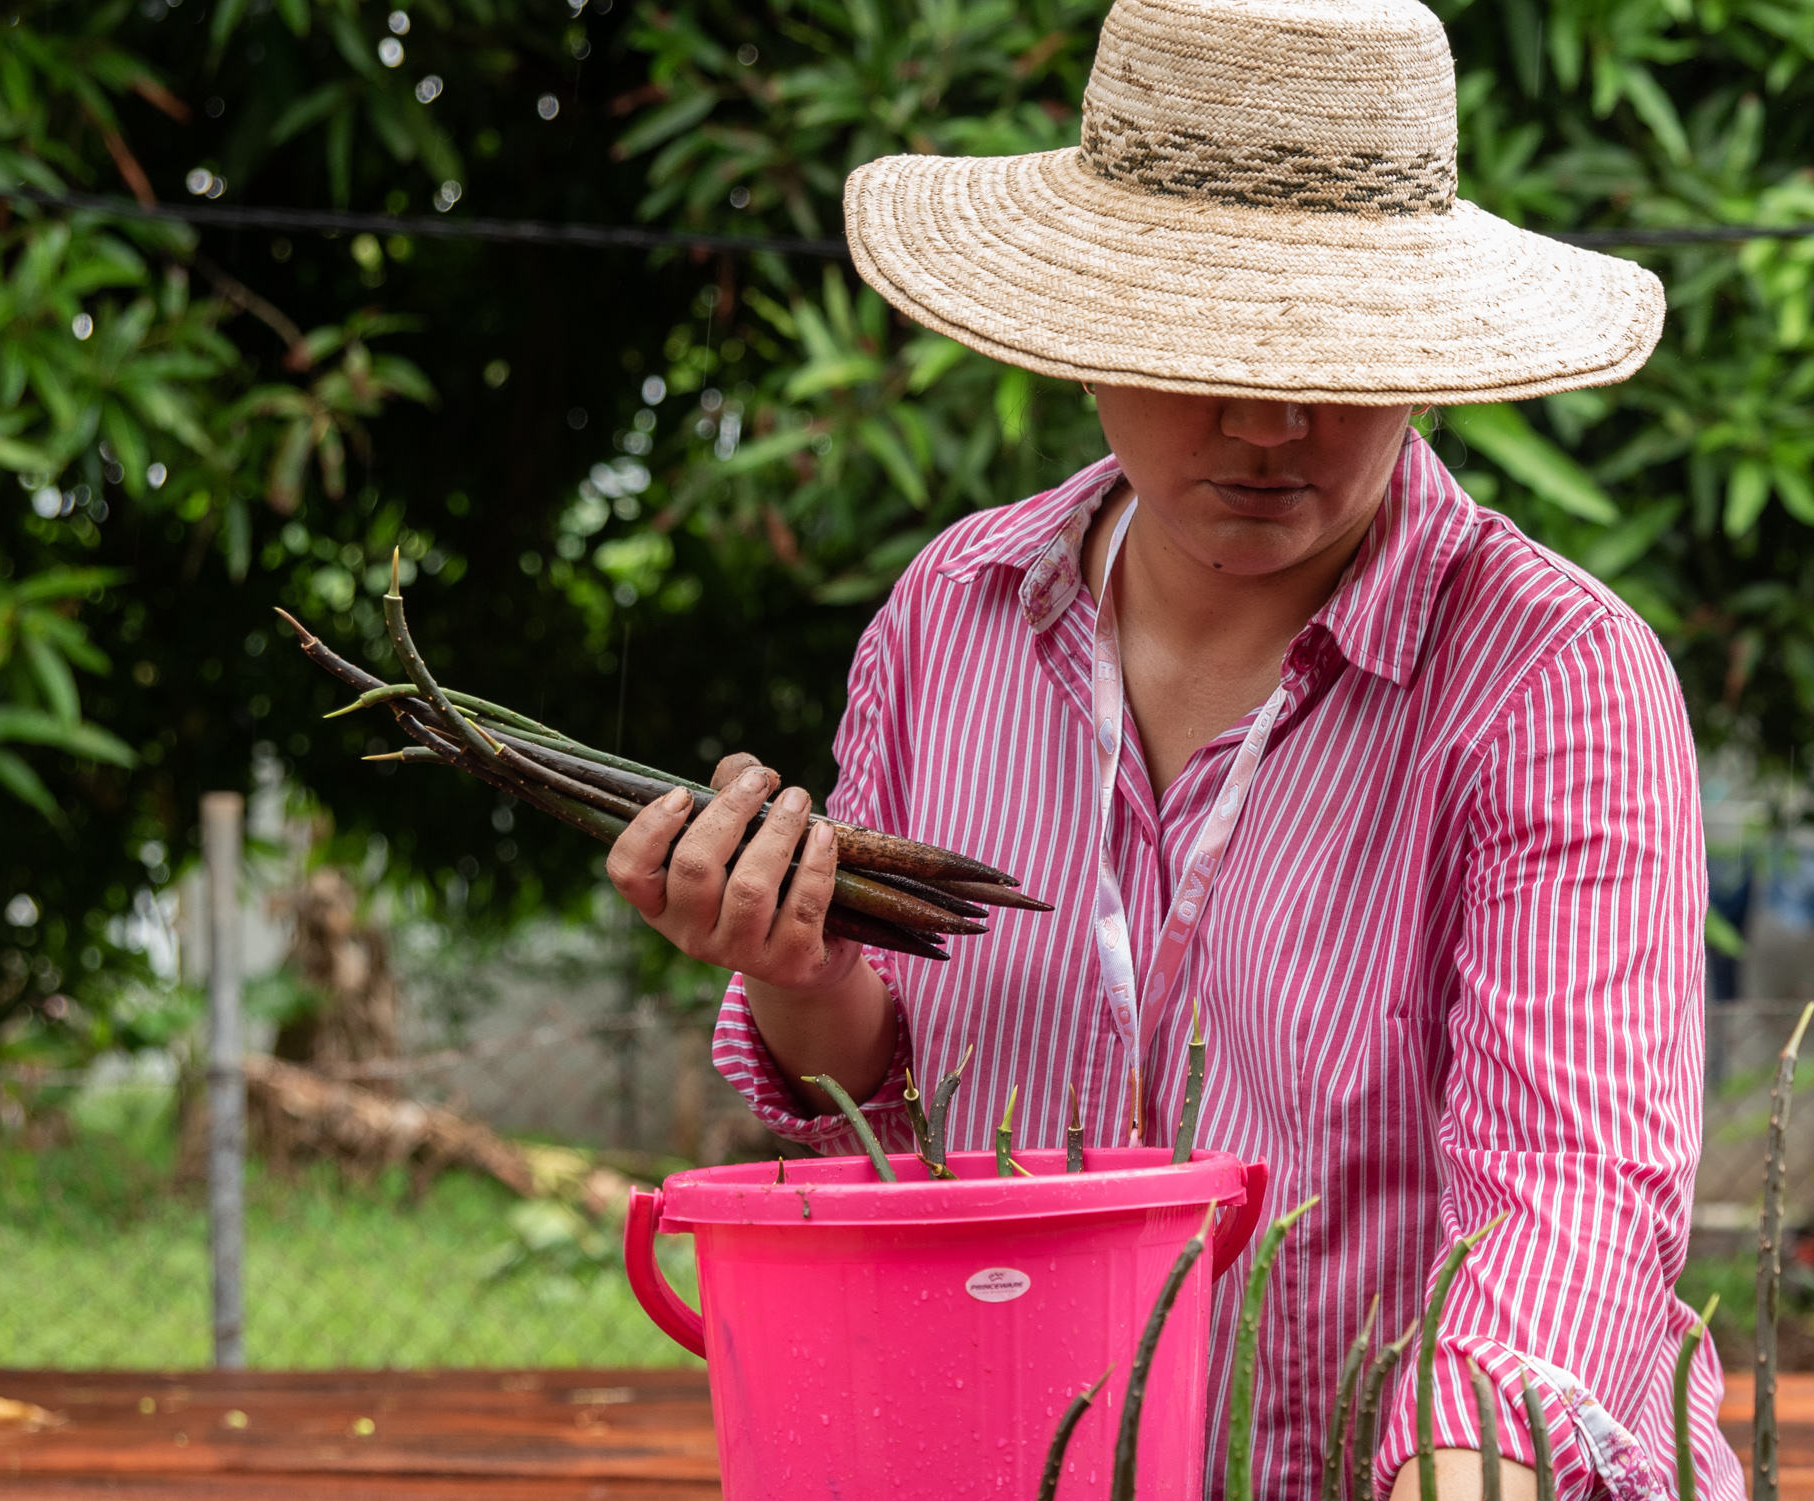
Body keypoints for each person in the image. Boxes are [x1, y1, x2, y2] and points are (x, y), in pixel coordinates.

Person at [600, 0, 1734, 1495]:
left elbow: (1572, 1186)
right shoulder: (955, 616)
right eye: (1197, 345)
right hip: (1003, 1448)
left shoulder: (1547, 678)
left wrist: (1465, 1465)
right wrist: (800, 960)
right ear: (1084, 332)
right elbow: (884, 1108)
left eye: (1332, 356)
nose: (1267, 420)